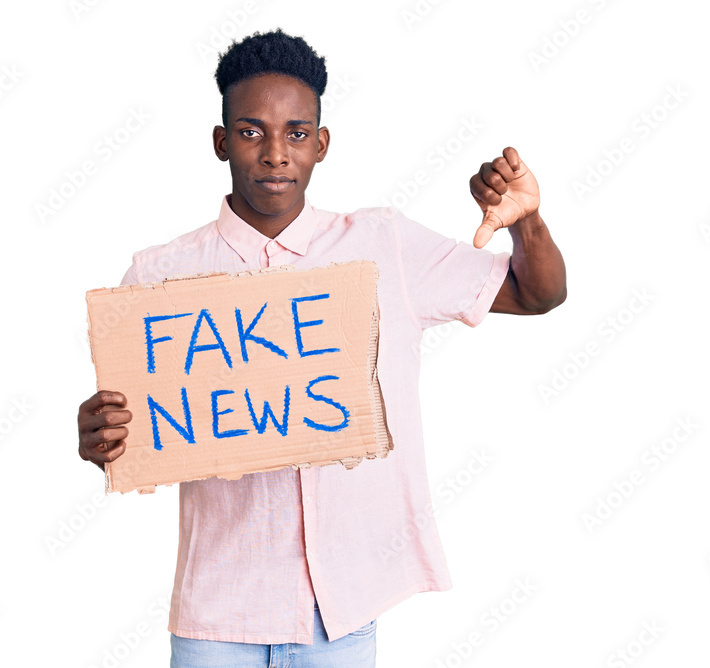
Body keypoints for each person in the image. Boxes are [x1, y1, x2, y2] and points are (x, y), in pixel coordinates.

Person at [76, 27, 565, 668]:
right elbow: (141, 436)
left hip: (342, 614)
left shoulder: (383, 245)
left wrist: (527, 220)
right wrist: (100, 440)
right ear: (221, 142)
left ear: (321, 144)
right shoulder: (159, 278)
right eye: (251, 132)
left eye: (296, 133)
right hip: (216, 615)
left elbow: (537, 294)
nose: (276, 153)